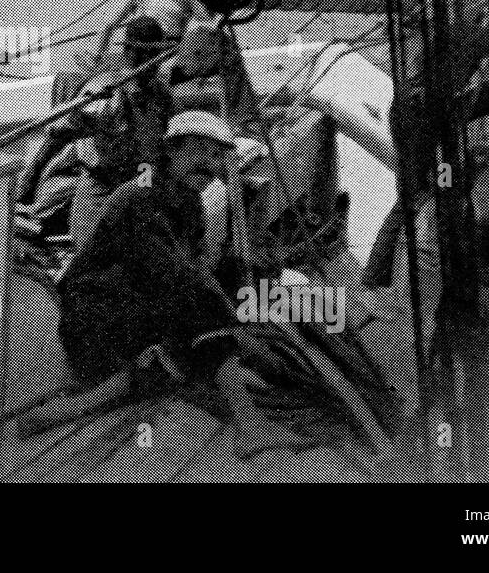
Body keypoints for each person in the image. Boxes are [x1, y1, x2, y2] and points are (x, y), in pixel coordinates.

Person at [50, 110, 308, 455]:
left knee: (211, 296)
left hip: (134, 310)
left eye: (217, 156)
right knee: (194, 310)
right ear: (173, 149)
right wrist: (236, 330)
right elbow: (174, 278)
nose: (211, 167)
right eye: (201, 153)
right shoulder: (142, 198)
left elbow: (196, 265)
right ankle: (249, 424)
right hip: (98, 325)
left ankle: (207, 378)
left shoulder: (187, 200)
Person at [17, 16, 174, 250]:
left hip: (142, 189)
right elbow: (60, 135)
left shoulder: (160, 93)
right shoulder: (107, 96)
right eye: (147, 55)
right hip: (102, 192)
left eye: (156, 56)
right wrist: (28, 183)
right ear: (132, 54)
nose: (155, 63)